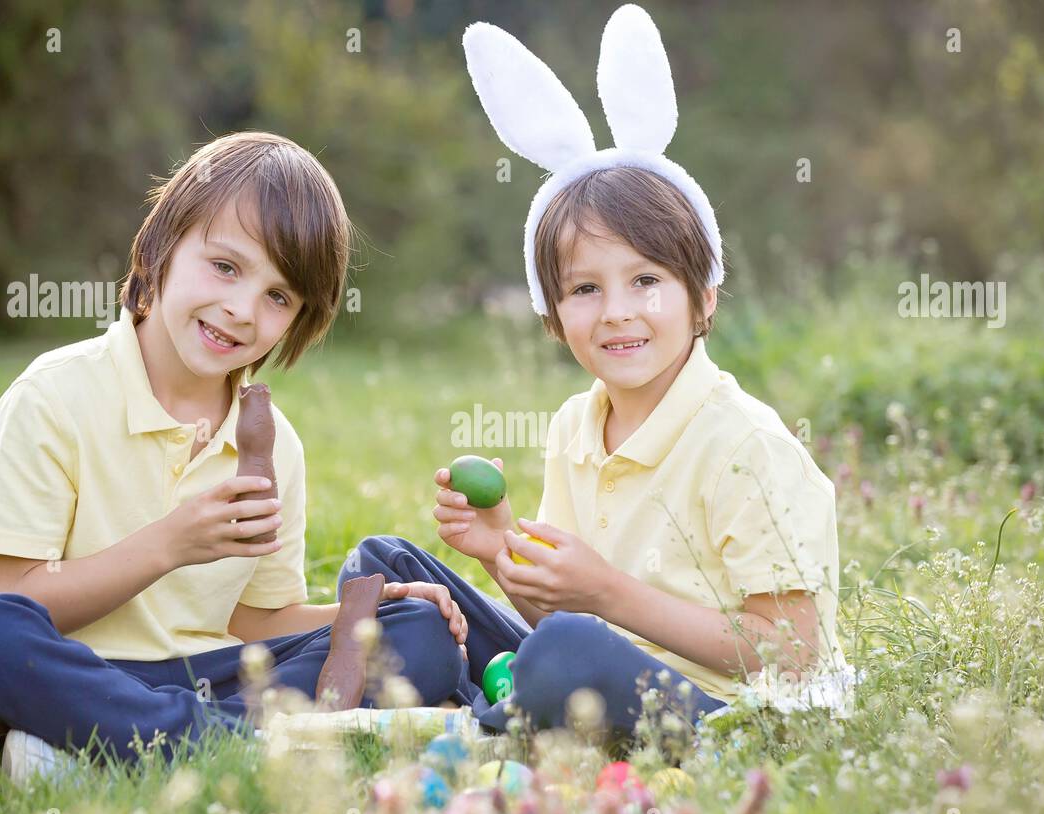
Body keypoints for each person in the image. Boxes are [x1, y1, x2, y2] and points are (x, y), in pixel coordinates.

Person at [345, 5, 853, 735]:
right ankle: (484, 697)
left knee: (567, 653)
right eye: (586, 289)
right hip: (587, 658)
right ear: (551, 315)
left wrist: (610, 596)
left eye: (646, 281)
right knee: (387, 568)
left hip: (718, 710)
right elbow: (561, 611)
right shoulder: (576, 427)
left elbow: (793, 651)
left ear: (703, 294)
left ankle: (479, 709)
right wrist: (499, 550)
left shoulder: (745, 447)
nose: (617, 312)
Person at [0, 132, 468, 778]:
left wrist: (360, 615)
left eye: (278, 297)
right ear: (162, 246)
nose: (241, 310)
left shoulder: (276, 445)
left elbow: (255, 620)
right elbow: (18, 600)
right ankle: (234, 746)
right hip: (80, 673)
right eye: (226, 267)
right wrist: (169, 544)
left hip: (216, 677)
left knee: (420, 635)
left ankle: (102, 752)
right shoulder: (52, 399)